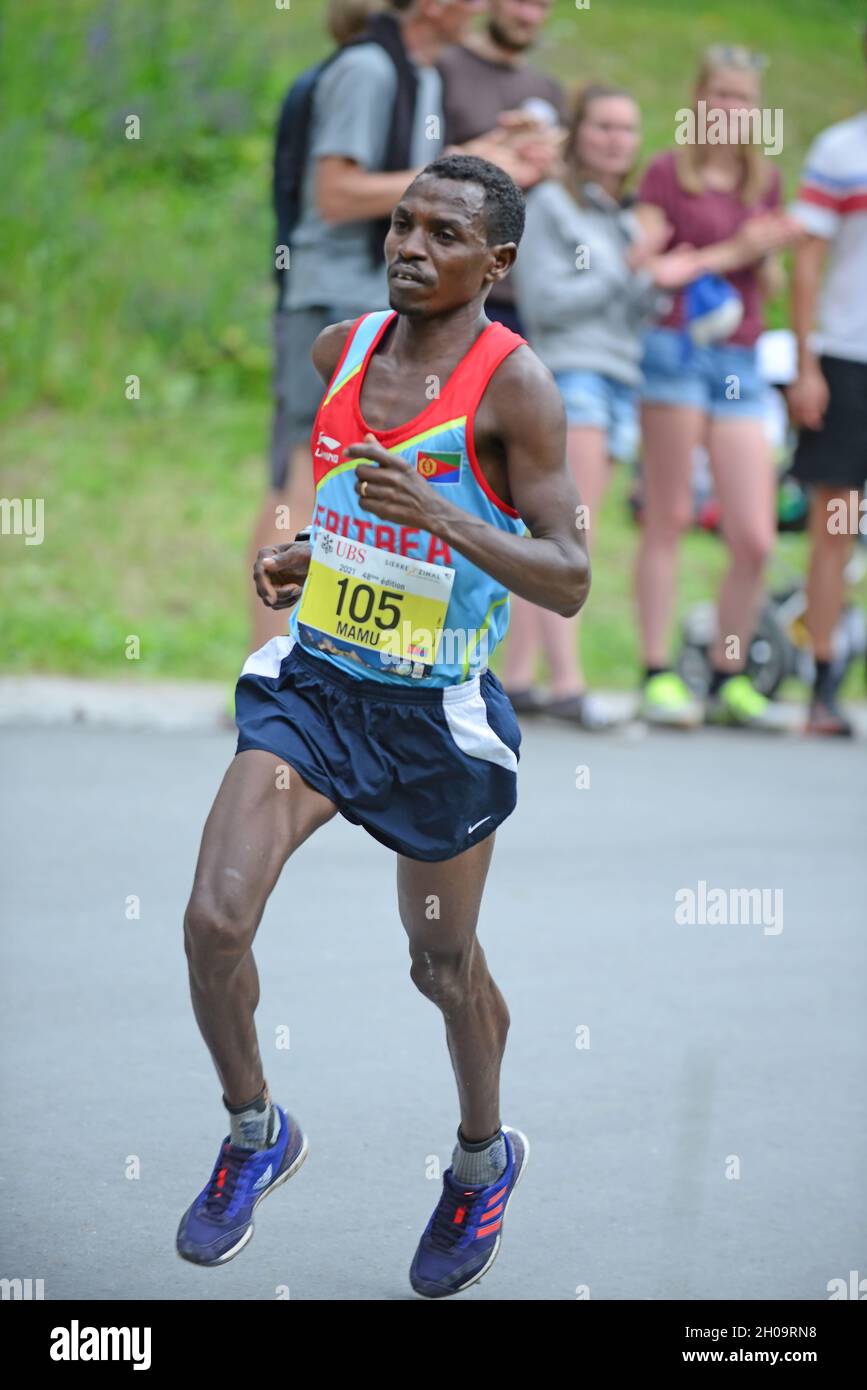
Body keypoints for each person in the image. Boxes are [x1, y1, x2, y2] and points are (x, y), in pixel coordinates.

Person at [176, 155, 590, 1299]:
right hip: (316, 689)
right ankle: (256, 1129)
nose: (409, 244)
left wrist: (449, 519)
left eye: (443, 233)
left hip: (433, 719)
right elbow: (357, 514)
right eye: (402, 224)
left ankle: (478, 1160)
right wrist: (304, 556)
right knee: (214, 919)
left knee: (441, 962)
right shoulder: (342, 353)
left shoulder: (520, 390)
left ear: (496, 263)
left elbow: (568, 575)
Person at [249, 0, 485, 655]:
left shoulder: (425, 76)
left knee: (371, 478)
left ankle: (345, 653)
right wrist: (459, 166)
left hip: (387, 306)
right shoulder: (368, 70)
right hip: (329, 300)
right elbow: (336, 194)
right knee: (305, 468)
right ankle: (270, 661)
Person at [507, 83, 704, 726]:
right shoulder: (549, 207)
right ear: (577, 134)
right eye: (602, 127)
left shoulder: (619, 217)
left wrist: (654, 272)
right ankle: (568, 683)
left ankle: (519, 679)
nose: (616, 140)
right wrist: (628, 265)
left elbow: (630, 302)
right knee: (569, 532)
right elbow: (546, 302)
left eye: (627, 129)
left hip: (623, 378)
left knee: (566, 530)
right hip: (570, 374)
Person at [633, 45, 802, 728]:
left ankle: (730, 678)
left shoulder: (763, 184)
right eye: (720, 96)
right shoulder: (667, 174)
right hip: (673, 350)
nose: (731, 109)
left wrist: (766, 254)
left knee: (754, 535)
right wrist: (730, 252)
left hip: (737, 358)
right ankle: (655, 674)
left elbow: (771, 285)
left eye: (743, 98)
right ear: (698, 101)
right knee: (668, 515)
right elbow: (650, 267)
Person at [788, 28, 867, 737]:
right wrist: (806, 362)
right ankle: (820, 681)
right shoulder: (841, 151)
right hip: (847, 359)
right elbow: (805, 262)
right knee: (834, 529)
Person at [437, 0, 567, 333]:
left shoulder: (547, 89)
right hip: (447, 282)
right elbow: (414, 169)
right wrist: (487, 154)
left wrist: (549, 167)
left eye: (541, 6)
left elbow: (569, 189)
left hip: (521, 294)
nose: (529, 16)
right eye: (520, 3)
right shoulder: (442, 68)